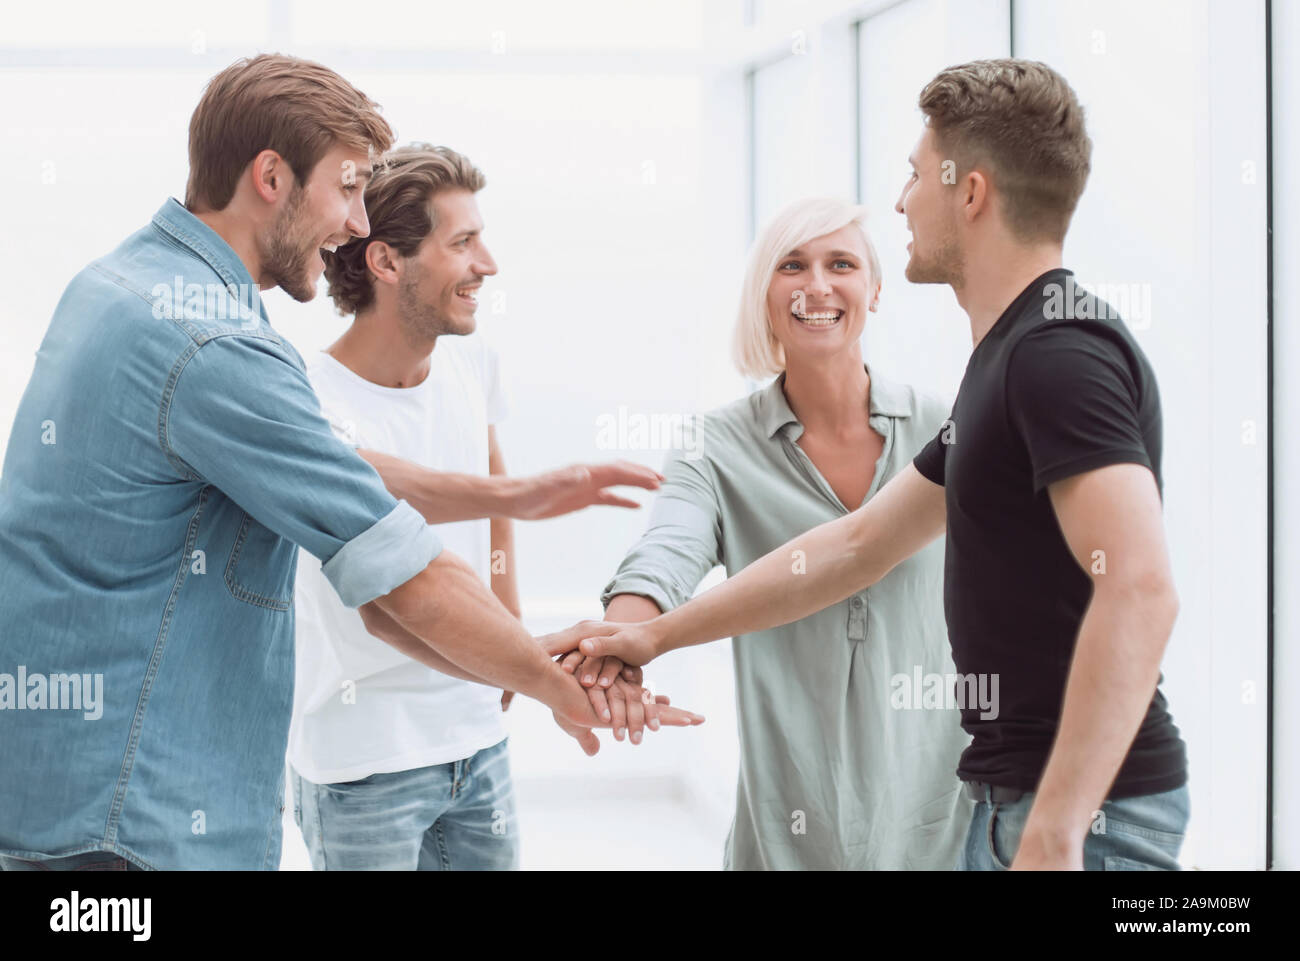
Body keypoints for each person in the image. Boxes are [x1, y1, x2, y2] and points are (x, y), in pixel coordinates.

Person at [0, 55, 686, 872]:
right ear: (271, 177)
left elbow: (324, 472)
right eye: (347, 188)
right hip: (130, 822)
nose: (357, 225)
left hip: (67, 795)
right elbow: (403, 578)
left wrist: (515, 499)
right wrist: (555, 678)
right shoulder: (218, 347)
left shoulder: (120, 284)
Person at [555, 58, 1189, 871]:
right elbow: (856, 548)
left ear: (972, 192)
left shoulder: (1055, 355)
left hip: (1080, 823)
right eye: (793, 265)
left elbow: (1140, 585)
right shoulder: (1002, 368)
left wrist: (1057, 832)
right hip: (1012, 811)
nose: (901, 200)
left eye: (916, 174)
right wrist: (651, 637)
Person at [289, 144, 698, 871]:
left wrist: (515, 657)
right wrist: (534, 671)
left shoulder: (472, 362)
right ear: (385, 262)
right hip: (364, 762)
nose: (489, 263)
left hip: (477, 740)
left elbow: (491, 515)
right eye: (463, 242)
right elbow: (389, 593)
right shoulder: (311, 401)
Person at [567, 197, 970, 869]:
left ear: (874, 289)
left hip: (939, 829)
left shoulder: (947, 429)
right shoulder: (714, 446)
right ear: (764, 295)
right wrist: (615, 647)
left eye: (840, 263)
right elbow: (664, 556)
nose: (817, 285)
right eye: (792, 265)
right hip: (786, 837)